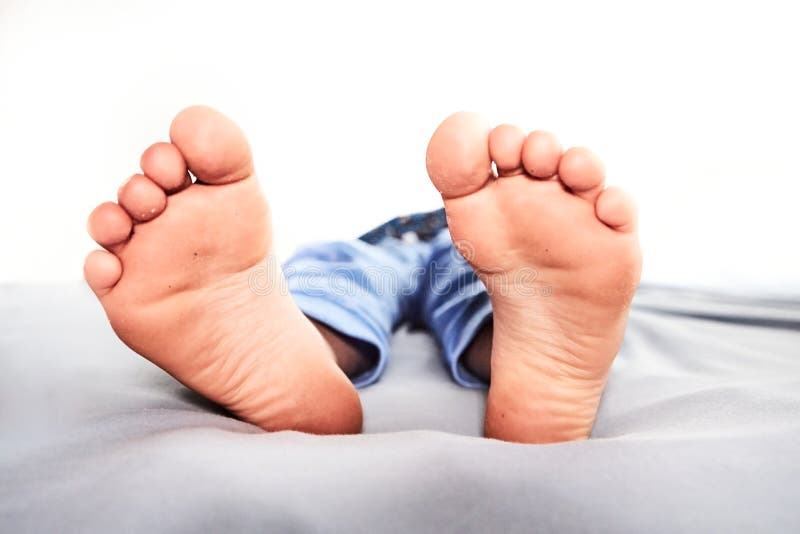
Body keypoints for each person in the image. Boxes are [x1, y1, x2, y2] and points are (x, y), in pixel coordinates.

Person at [84, 106, 642, 444]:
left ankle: (538, 331)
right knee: (486, 288)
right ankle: (280, 344)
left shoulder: (480, 228)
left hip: (429, 248)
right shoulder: (490, 222)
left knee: (343, 276)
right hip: (473, 252)